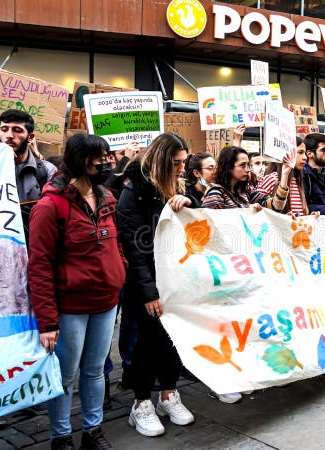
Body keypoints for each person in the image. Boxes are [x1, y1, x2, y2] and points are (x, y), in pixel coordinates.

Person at [28, 133, 126, 450]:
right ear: (83, 162)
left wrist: (118, 270)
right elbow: (39, 266)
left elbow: (117, 244)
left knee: (95, 371)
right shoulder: (49, 207)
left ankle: (92, 432)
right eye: (102, 158)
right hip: (70, 307)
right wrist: (47, 321)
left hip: (106, 302)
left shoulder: (107, 198)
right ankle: (61, 437)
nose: (108, 163)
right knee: (66, 376)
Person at [117, 132, 196, 437]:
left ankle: (168, 393)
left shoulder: (178, 186)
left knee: (172, 340)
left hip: (177, 279)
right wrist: (149, 291)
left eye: (184, 162)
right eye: (176, 162)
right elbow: (134, 249)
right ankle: (140, 404)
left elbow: (199, 215)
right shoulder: (133, 193)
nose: (181, 168)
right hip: (146, 283)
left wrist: (189, 200)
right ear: (163, 160)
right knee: (146, 344)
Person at [202, 146, 291, 211]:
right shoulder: (216, 194)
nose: (248, 170)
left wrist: (284, 175)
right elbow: (209, 226)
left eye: (248, 165)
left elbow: (275, 206)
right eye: (242, 165)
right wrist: (246, 211)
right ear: (228, 167)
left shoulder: (246, 191)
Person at [256, 137, 311, 216]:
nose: (305, 157)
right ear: (287, 154)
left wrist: (311, 216)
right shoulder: (272, 179)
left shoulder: (298, 180)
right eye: (300, 152)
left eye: (304, 153)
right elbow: (257, 210)